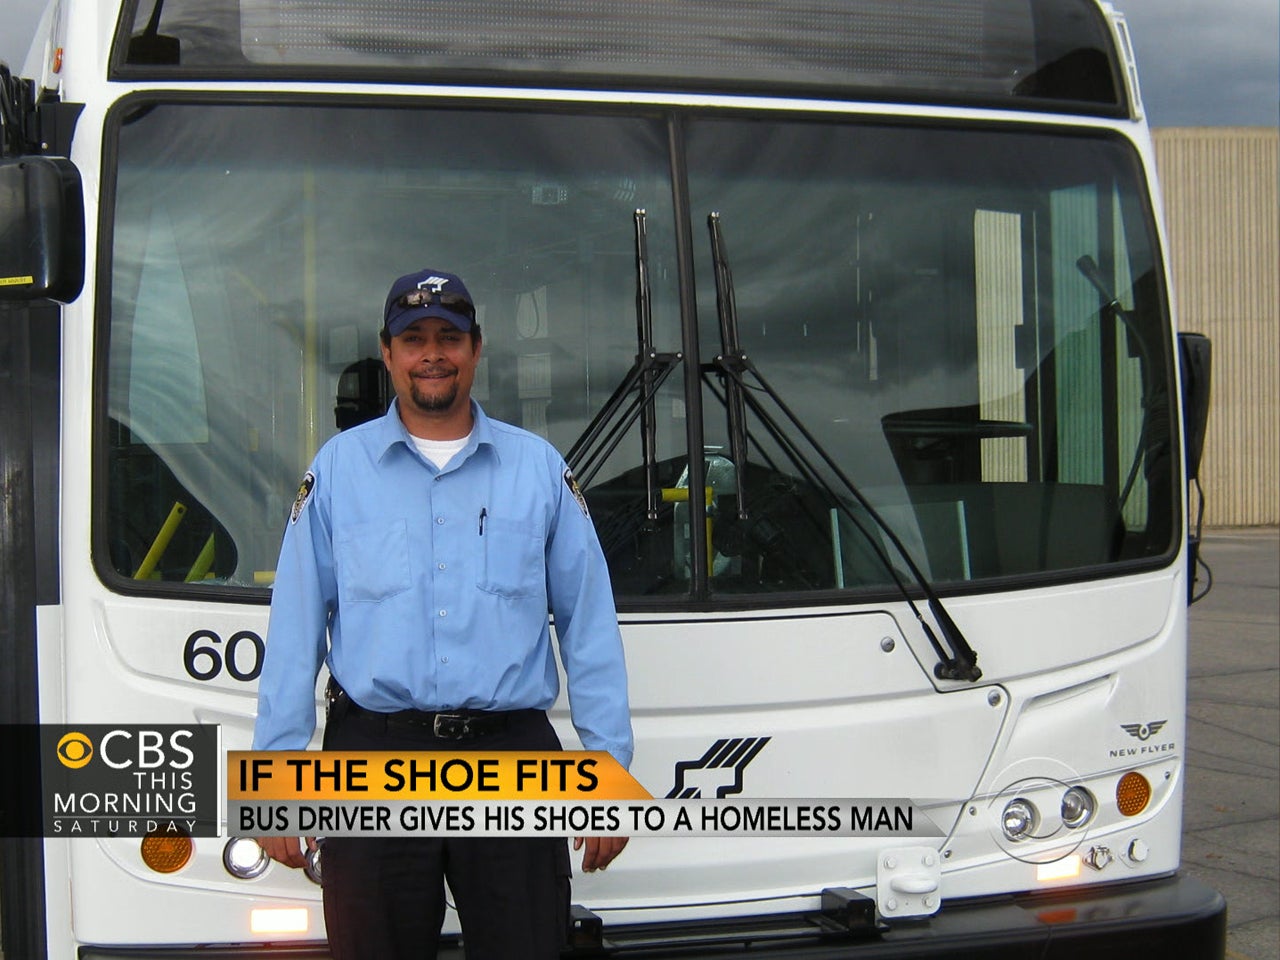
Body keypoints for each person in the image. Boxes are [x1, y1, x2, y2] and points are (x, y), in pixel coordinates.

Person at [252, 267, 633, 959]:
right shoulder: (339, 471)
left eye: (449, 338)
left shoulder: (537, 469)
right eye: (415, 338)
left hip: (510, 757)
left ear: (475, 350)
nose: (433, 353)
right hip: (373, 760)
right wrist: (277, 776)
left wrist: (607, 768)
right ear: (389, 352)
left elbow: (590, 625)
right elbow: (296, 627)